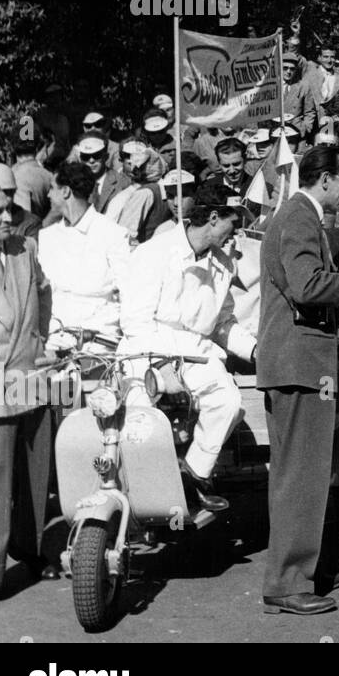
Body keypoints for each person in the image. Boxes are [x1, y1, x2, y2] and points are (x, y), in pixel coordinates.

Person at [257, 145, 339, 615]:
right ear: (326, 180)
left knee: (306, 475)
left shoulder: (301, 217)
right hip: (299, 366)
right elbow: (306, 286)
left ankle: (292, 579)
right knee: (300, 478)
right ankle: (288, 584)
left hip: (303, 363)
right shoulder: (298, 218)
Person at [120, 184, 258, 513]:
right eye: (232, 224)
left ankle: (193, 476)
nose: (235, 234)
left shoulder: (225, 264)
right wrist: (163, 366)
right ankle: (141, 494)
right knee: (143, 418)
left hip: (196, 350)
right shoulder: (154, 252)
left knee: (228, 402)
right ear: (213, 218)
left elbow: (223, 323)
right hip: (147, 346)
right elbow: (136, 321)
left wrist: (255, 351)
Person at [0, 180, 55, 608]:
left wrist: (41, 342)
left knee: (33, 478)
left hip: (30, 378)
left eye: (9, 209)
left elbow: (44, 295)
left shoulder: (25, 251)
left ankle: (31, 548)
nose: (9, 218)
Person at [37, 163, 131, 343]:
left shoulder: (113, 234)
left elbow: (129, 293)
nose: (48, 194)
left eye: (51, 188)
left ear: (65, 191)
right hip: (53, 339)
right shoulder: (47, 237)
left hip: (99, 342)